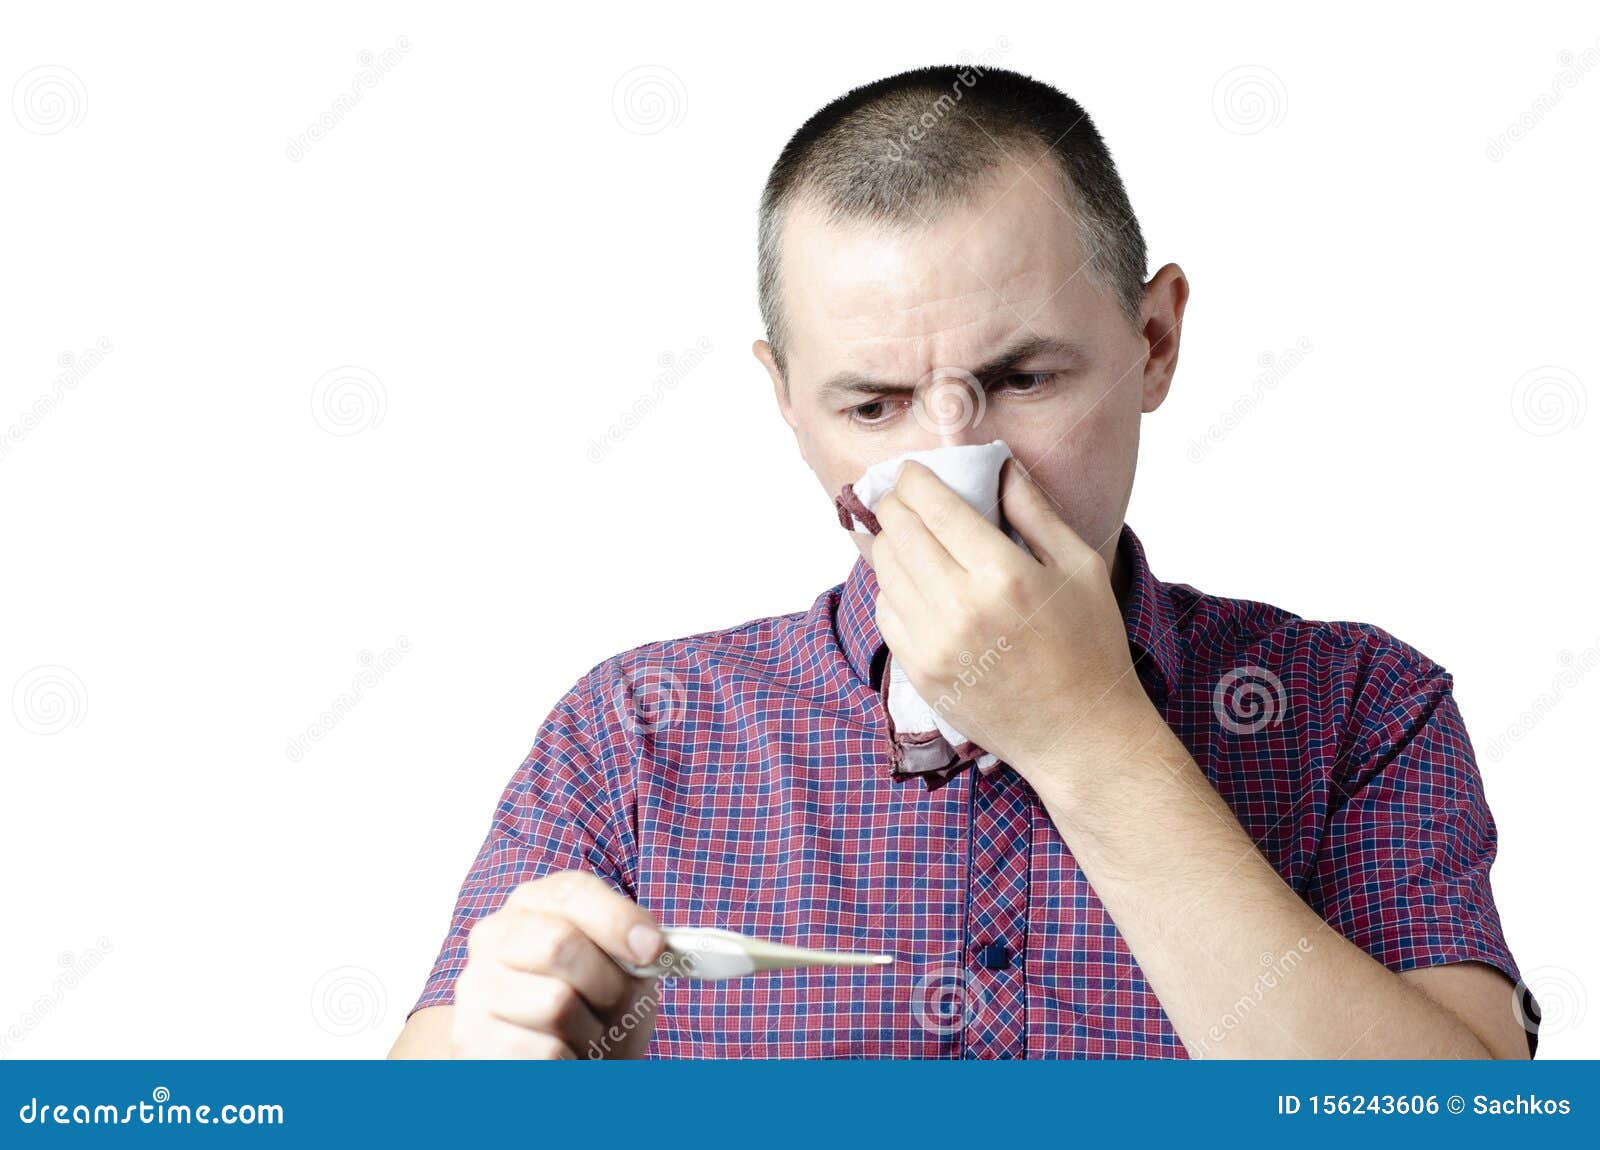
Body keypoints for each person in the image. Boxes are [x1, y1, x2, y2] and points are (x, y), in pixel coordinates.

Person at [389, 65, 1539, 1059]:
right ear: (787, 400)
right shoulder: (638, 729)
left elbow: (1464, 1115)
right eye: (873, 403)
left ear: (1153, 342)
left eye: (1026, 379)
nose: (947, 469)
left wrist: (1087, 733)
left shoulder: (1357, 709)